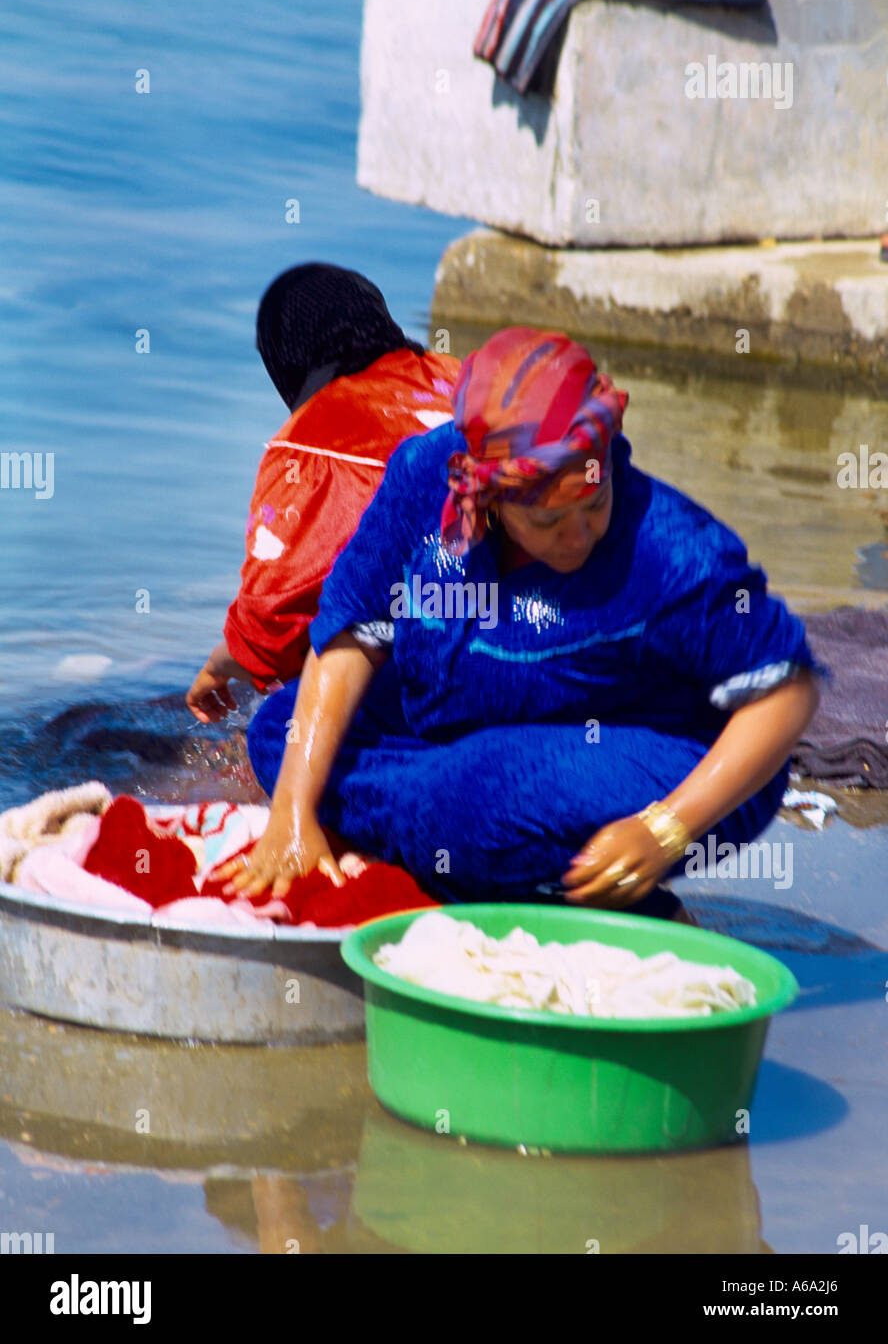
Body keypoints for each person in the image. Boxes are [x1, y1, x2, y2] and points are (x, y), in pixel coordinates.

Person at [219, 327, 821, 919]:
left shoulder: (674, 549)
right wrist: (294, 817)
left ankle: (569, 883)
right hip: (471, 728)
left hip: (663, 755)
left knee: (476, 799)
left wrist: (666, 827)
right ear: (491, 496)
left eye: (594, 502)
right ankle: (471, 847)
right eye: (551, 520)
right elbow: (352, 633)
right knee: (279, 731)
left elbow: (787, 689)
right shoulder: (423, 479)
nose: (580, 533)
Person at [186, 263, 460, 724]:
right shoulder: (462, 377)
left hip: (448, 671)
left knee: (279, 726)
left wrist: (223, 662)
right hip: (538, 621)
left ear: (286, 360)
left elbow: (276, 618)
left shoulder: (313, 443)